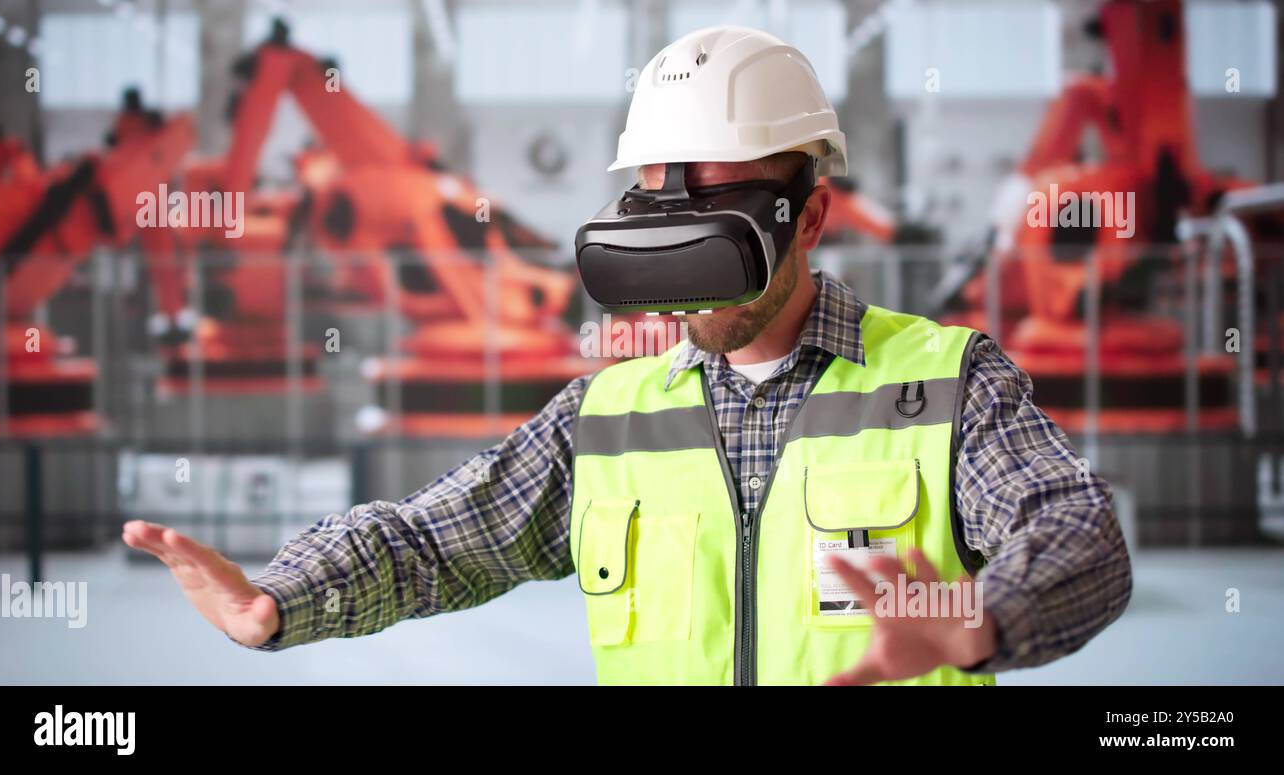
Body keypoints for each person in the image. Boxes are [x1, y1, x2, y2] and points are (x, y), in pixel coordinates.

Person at [124, 26, 1131, 685]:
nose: (680, 239)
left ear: (811, 216)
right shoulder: (603, 414)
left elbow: (1081, 533)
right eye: (662, 201)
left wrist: (979, 617)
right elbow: (433, 541)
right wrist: (277, 600)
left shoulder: (940, 385)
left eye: (719, 203)